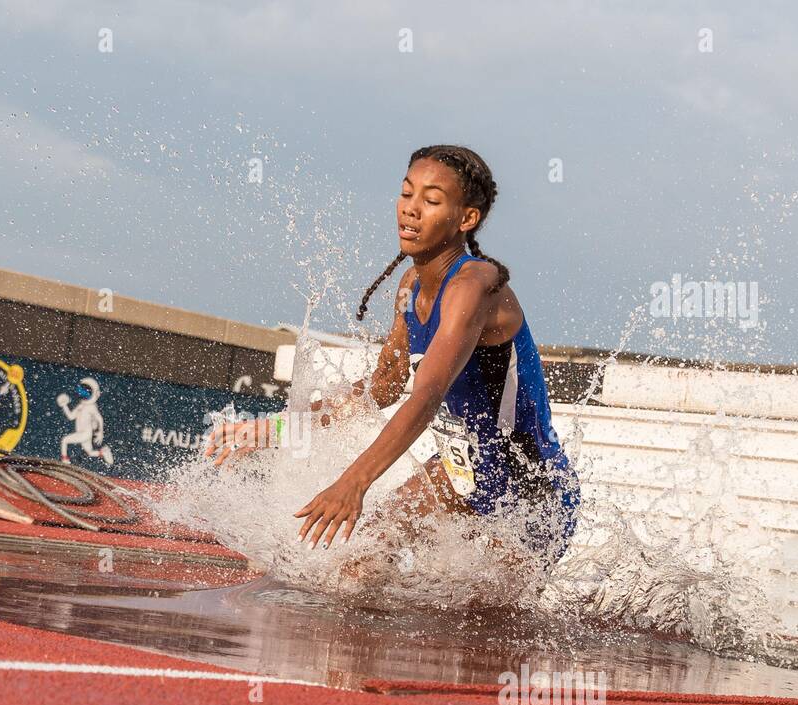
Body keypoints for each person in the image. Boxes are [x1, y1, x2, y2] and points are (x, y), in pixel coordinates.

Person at [205, 144, 580, 572]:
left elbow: (427, 395)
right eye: (407, 194)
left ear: (466, 218)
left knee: (478, 626)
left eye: (431, 200)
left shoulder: (474, 286)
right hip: (462, 473)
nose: (411, 210)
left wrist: (354, 483)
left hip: (529, 492)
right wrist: (278, 427)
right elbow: (381, 388)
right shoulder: (409, 287)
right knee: (361, 564)